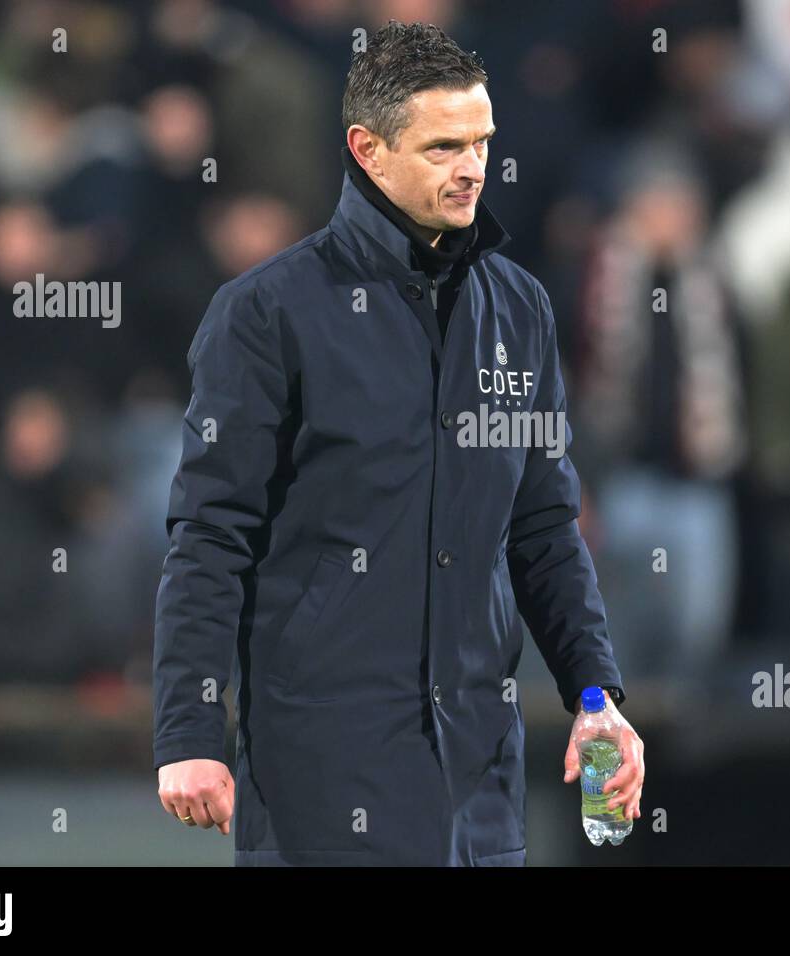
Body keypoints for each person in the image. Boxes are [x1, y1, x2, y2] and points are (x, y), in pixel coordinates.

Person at [152, 20, 644, 866]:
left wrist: (595, 692)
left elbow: (543, 527)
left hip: (479, 776)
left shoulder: (519, 310)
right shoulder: (268, 313)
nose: (473, 168)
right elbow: (209, 536)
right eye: (444, 145)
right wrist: (188, 731)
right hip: (321, 775)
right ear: (367, 150)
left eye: (483, 141)